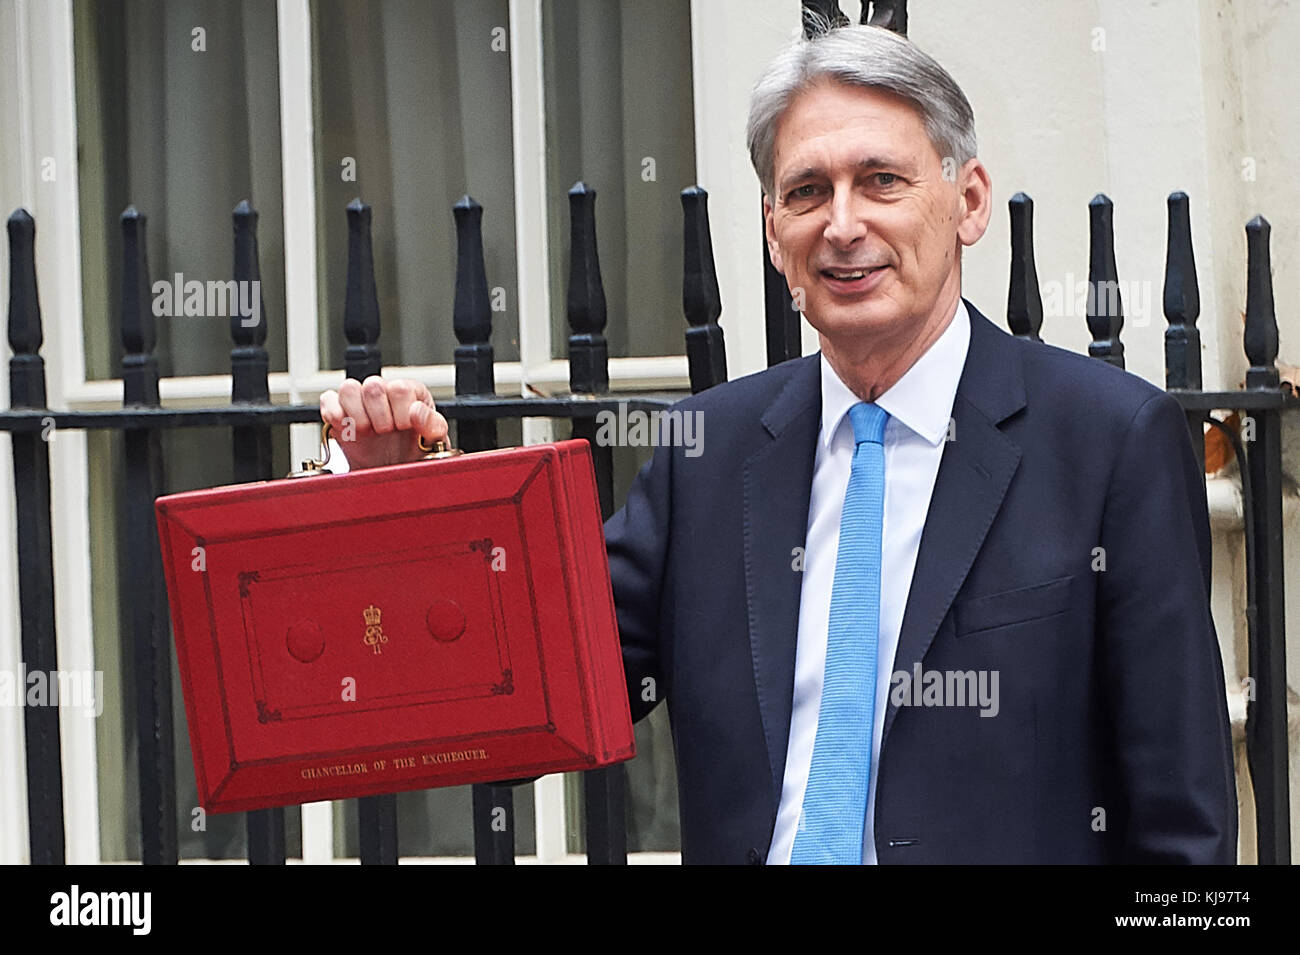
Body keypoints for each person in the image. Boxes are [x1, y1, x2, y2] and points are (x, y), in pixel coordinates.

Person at [320, 23, 1237, 864]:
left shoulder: (1109, 441)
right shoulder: (705, 455)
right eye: (806, 191)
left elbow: (1183, 825)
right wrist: (402, 516)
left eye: (881, 179)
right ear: (772, 230)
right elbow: (524, 705)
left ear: (968, 200)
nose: (842, 224)